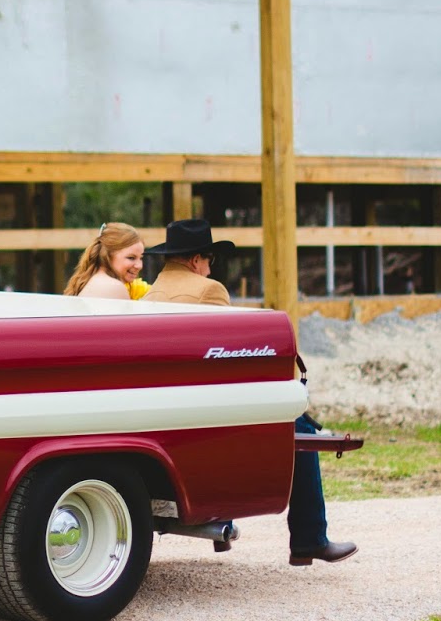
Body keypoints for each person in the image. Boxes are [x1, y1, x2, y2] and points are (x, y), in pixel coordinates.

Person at [144, 218, 357, 566]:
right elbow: (226, 357)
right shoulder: (208, 290)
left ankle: (225, 521)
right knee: (299, 430)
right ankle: (310, 539)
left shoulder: (150, 294)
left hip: (168, 404)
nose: (210, 267)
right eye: (209, 259)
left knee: (299, 423)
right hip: (205, 409)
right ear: (197, 260)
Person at [62, 222, 149, 299]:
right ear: (107, 255)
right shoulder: (114, 287)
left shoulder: (90, 281)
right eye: (131, 258)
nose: (139, 266)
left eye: (141, 258)